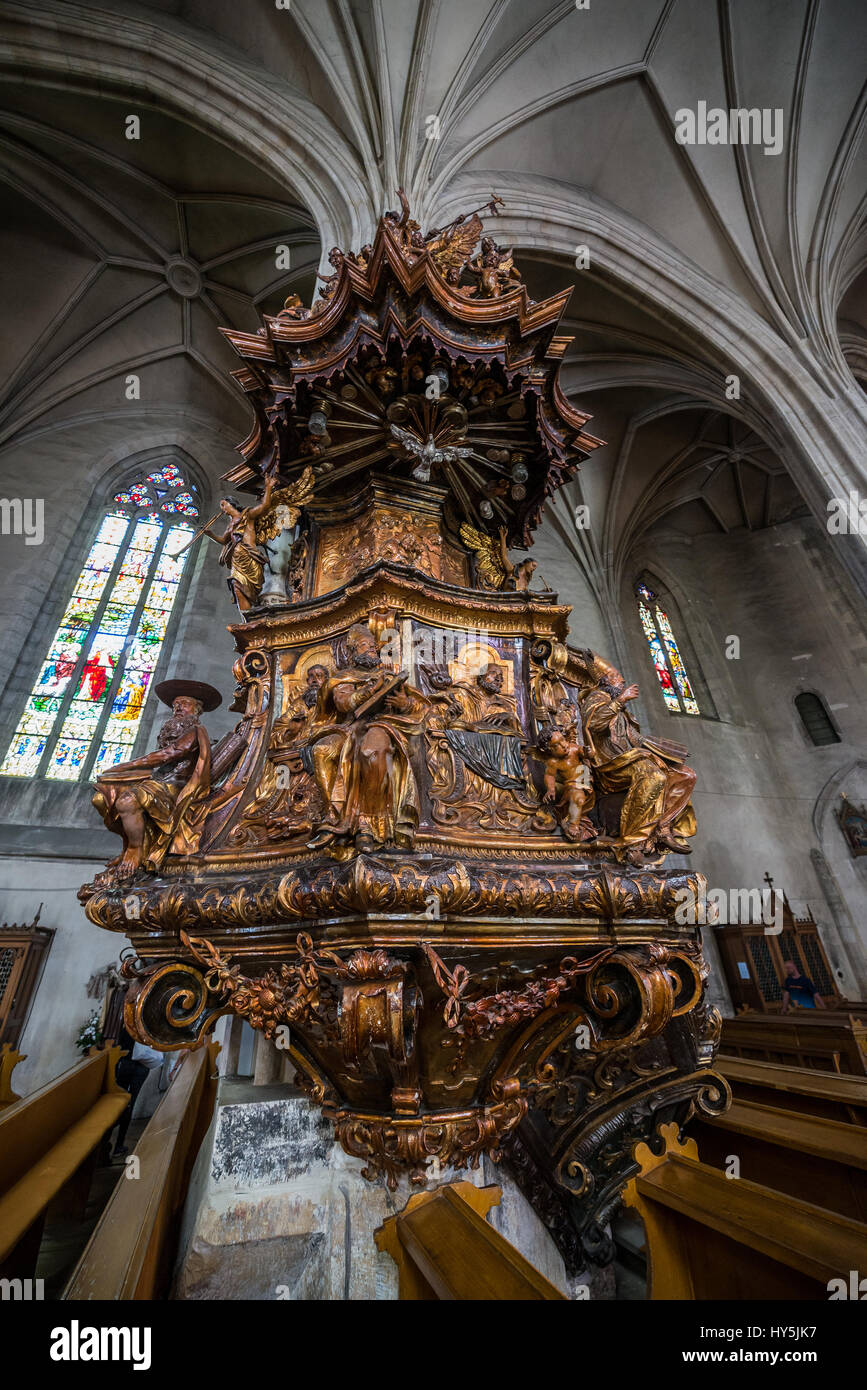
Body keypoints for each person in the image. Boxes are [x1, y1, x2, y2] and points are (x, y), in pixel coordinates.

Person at [111, 1025, 164, 1159]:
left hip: (125, 1064)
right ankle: (118, 1144)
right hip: (139, 1066)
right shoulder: (145, 1025)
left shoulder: (127, 1025)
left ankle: (112, 1142)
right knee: (128, 1103)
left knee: (118, 1102)